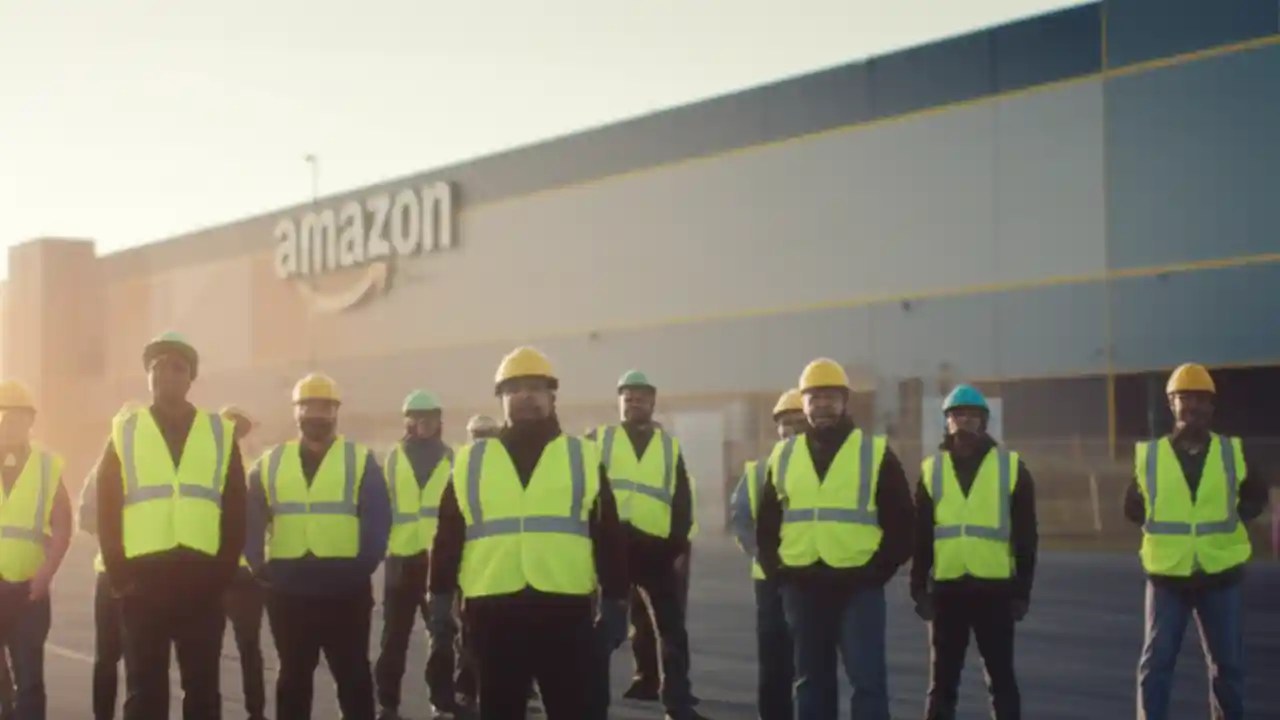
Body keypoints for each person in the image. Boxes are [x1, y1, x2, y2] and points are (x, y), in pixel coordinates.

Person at [428, 346, 629, 719]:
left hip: (565, 612)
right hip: (493, 613)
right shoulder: (471, 461)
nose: (525, 396)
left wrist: (617, 601)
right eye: (514, 389)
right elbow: (448, 538)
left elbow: (608, 535)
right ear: (501, 399)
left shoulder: (581, 456)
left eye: (535, 387)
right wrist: (440, 600)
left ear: (552, 396)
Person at [96, 332, 246, 720]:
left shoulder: (218, 433)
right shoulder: (125, 431)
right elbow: (107, 503)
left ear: (190, 378)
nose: (166, 374)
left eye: (177, 367)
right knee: (144, 693)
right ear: (148, 377)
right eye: (157, 367)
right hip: (142, 584)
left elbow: (235, 507)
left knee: (202, 693)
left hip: (201, 582)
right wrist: (119, 573)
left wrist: (224, 572)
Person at [756, 358, 914, 720]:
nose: (821, 405)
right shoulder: (784, 455)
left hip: (858, 587)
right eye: (813, 398)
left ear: (845, 402)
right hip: (802, 587)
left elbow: (904, 523)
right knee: (811, 682)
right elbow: (766, 523)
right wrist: (778, 572)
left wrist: (877, 572)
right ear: (804, 404)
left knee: (867, 682)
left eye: (829, 397)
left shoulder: (874, 453)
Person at [1125, 363, 1269, 720]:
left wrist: (1236, 515)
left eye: (1200, 400)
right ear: (1171, 405)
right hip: (1167, 577)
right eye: (1183, 399)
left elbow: (1256, 495)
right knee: (1156, 665)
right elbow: (1132, 507)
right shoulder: (1152, 456)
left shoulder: (1233, 452)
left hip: (1219, 574)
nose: (1192, 407)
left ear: (1211, 406)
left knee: (1228, 667)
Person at [245, 372, 391, 720]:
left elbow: (378, 519)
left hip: (346, 591)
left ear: (335, 413)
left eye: (324, 408)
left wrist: (361, 567)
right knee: (293, 678)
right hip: (289, 591)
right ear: (297, 413)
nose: (316, 416)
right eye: (309, 407)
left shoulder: (359, 460)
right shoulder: (271, 462)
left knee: (353, 676)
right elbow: (250, 516)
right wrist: (257, 563)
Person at [911, 384, 1038, 720]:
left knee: (1001, 681)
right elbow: (921, 535)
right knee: (942, 685)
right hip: (947, 591)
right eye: (956, 416)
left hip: (994, 591)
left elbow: (1026, 536)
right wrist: (917, 588)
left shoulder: (1011, 468)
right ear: (946, 422)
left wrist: (1022, 590)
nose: (963, 423)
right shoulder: (930, 470)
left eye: (971, 416)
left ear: (984, 422)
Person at [375, 390, 462, 719]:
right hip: (401, 558)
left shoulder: (454, 459)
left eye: (429, 416)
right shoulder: (393, 458)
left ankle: (441, 703)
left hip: (438, 561)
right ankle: (387, 704)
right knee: (393, 638)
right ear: (407, 420)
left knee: (442, 636)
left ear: (440, 420)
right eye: (416, 416)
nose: (423, 422)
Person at [730, 388, 808, 720]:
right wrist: (763, 556)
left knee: (811, 665)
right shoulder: (759, 471)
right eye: (785, 423)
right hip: (770, 582)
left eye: (797, 422)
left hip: (812, 578)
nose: (790, 429)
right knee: (774, 665)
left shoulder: (823, 469)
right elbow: (741, 519)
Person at [0, 380, 73, 720]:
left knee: (29, 679)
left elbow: (62, 522)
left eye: (16, 416)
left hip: (30, 589)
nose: (8, 423)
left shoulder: (46, 466)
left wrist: (47, 573)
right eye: (3, 416)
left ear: (30, 421)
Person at [219, 406, 268, 720]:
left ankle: (255, 711)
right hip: (223, 573)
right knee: (244, 648)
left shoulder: (251, 471)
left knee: (246, 647)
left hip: (238, 573)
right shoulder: (249, 470)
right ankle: (255, 712)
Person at [78, 459, 124, 720]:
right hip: (112, 573)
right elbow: (85, 516)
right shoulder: (105, 467)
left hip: (156, 578)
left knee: (149, 661)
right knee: (107, 657)